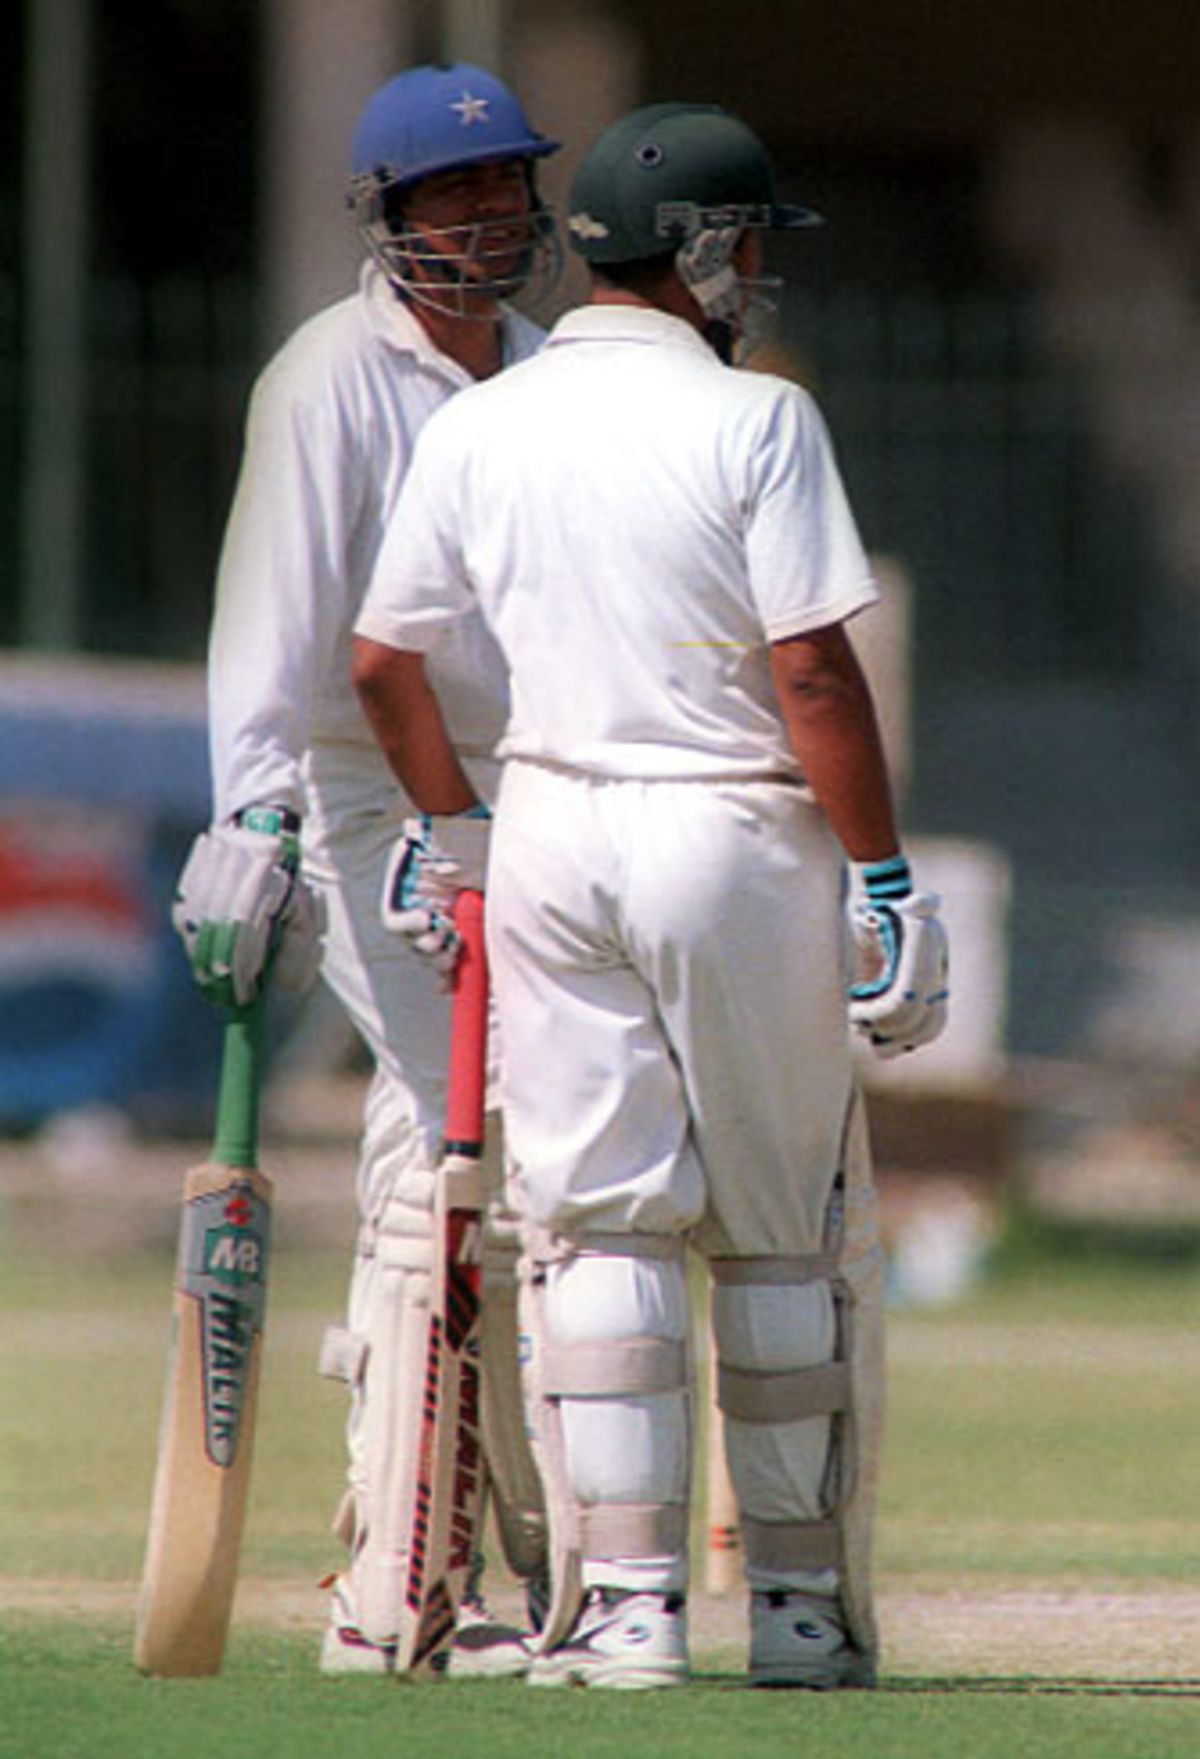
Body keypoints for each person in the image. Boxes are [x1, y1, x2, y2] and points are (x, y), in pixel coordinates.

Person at [351, 102, 949, 1692]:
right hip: (731, 836)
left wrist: (453, 828)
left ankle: (628, 1610)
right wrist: (887, 877)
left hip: (548, 829)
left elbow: (378, 658)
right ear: (700, 250)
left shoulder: (481, 423)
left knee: (601, 1222)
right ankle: (800, 1609)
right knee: (769, 1232)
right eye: (747, 240)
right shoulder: (756, 420)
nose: (757, 270)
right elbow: (811, 668)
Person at [169, 62, 561, 1677]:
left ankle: (499, 1545)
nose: (486, 221)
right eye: (450, 198)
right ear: (388, 218)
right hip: (359, 792)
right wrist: (250, 816)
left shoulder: (546, 372)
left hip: (526, 794)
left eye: (506, 191)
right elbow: (274, 613)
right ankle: (395, 1579)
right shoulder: (330, 377)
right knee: (438, 1153)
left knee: (535, 1165)